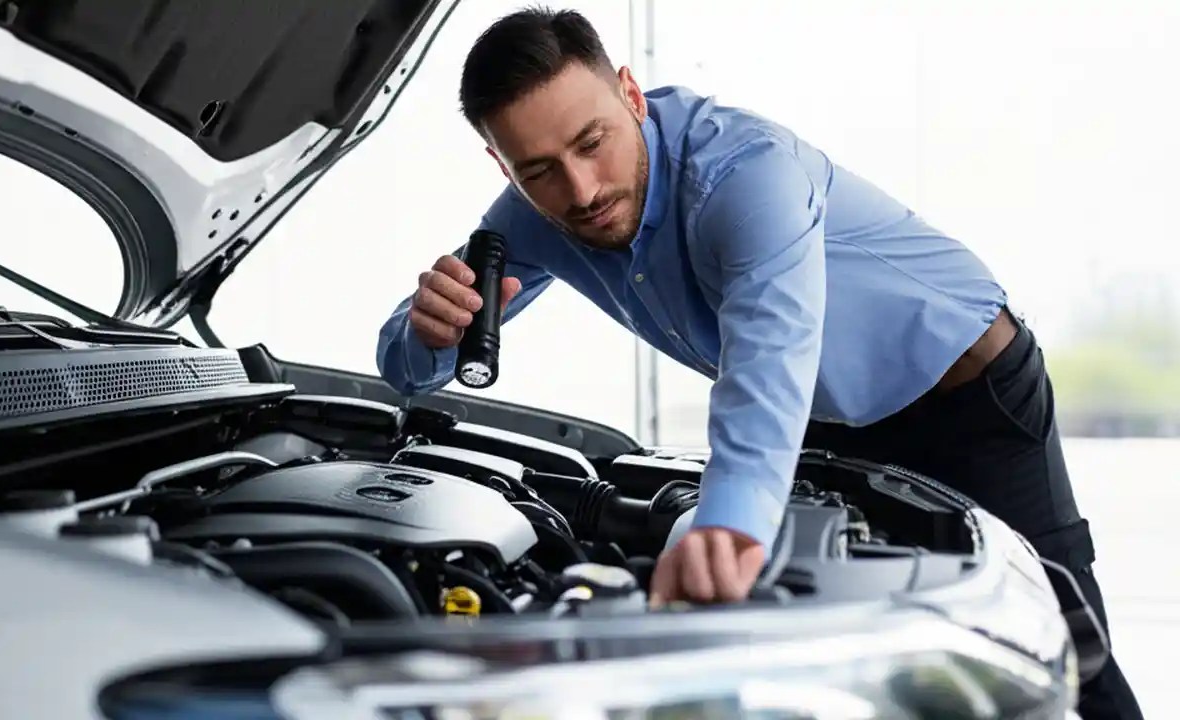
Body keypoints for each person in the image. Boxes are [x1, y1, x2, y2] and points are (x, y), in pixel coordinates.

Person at [373, 8, 1140, 717]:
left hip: (968, 396)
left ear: (631, 94)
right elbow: (410, 364)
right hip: (829, 422)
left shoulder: (746, 173)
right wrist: (428, 334)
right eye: (537, 169)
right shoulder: (533, 214)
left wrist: (731, 524)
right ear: (501, 165)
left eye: (591, 142)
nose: (581, 190)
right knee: (863, 664)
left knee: (1067, 638)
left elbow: (768, 356)